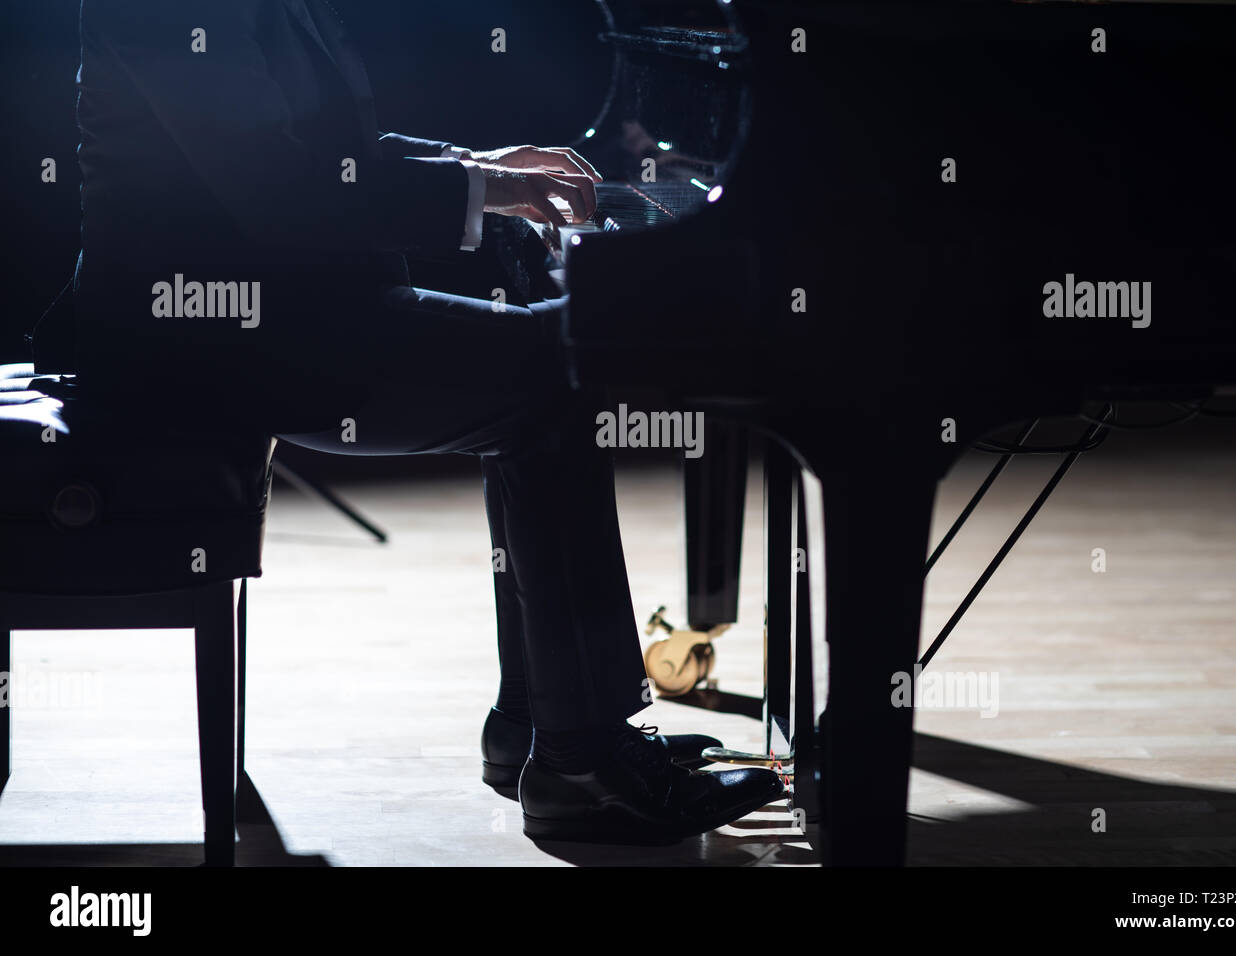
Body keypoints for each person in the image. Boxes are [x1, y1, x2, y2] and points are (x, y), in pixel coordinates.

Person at [65, 0, 782, 845]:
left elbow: (316, 152)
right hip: (206, 343)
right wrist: (487, 187)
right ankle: (581, 758)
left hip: (280, 314)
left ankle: (543, 723)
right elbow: (279, 188)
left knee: (531, 372)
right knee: (556, 378)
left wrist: (476, 165)